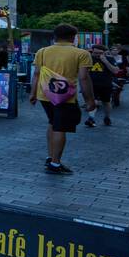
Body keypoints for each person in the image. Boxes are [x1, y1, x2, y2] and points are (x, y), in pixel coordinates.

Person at [28, 23, 94, 175]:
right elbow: (84, 78)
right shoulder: (81, 53)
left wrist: (32, 94)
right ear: (73, 37)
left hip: (45, 94)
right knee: (60, 127)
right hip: (65, 96)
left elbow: (37, 74)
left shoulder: (42, 51)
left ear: (55, 37)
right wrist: (89, 99)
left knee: (52, 122)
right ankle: (55, 164)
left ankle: (50, 156)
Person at [84, 45, 118, 128]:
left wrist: (105, 61)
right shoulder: (88, 59)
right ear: (92, 51)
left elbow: (115, 71)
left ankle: (107, 117)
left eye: (100, 53)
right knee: (93, 101)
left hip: (105, 84)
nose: (97, 55)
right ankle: (91, 118)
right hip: (91, 84)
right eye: (95, 53)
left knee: (106, 102)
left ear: (104, 53)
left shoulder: (109, 59)